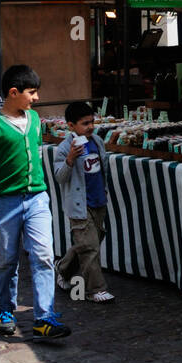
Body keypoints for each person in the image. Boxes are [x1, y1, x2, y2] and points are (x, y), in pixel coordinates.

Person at [0, 65, 71, 340]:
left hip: (37, 199)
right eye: (32, 92)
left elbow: (36, 155)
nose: (36, 98)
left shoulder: (36, 121)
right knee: (6, 259)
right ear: (13, 93)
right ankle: (5, 310)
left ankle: (44, 318)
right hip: (5, 203)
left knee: (43, 255)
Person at [53, 102, 114, 304]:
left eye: (92, 121)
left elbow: (102, 169)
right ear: (71, 126)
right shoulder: (64, 148)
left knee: (89, 242)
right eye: (84, 123)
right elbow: (59, 177)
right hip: (79, 205)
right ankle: (95, 289)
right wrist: (70, 159)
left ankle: (62, 268)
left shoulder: (97, 140)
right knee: (89, 247)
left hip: (98, 201)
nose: (90, 126)